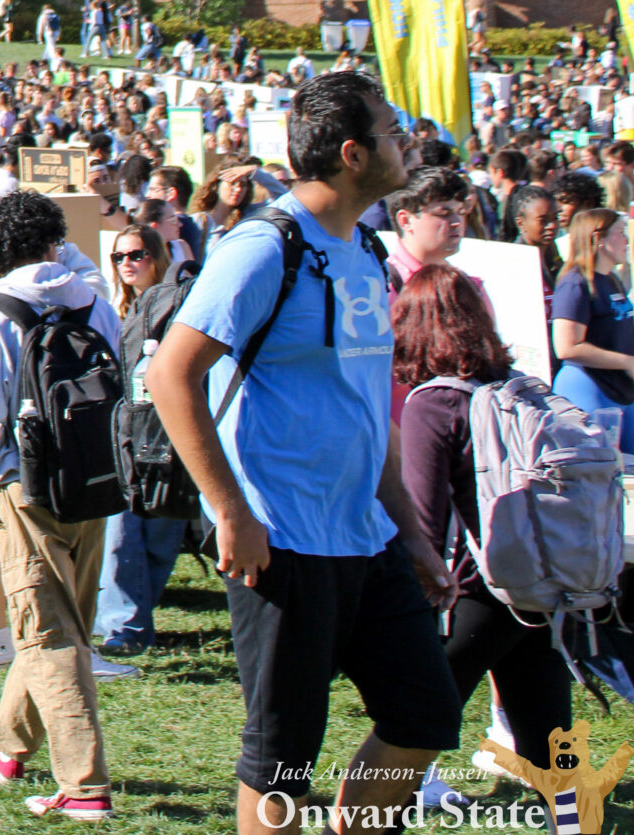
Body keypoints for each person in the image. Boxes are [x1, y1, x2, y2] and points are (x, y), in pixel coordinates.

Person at [151, 70, 460, 835]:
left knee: (425, 712)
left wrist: (412, 531)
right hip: (279, 537)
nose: (405, 143)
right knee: (285, 755)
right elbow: (170, 374)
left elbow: (364, 406)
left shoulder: (366, 250)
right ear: (354, 154)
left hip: (365, 533)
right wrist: (230, 510)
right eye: (391, 132)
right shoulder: (264, 246)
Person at [0, 192, 123, 822]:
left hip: (20, 481)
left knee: (46, 630)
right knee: (66, 614)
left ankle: (82, 783)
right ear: (56, 241)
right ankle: (9, 739)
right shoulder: (94, 302)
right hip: (94, 477)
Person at [394, 262, 576, 792]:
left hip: (474, 585)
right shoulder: (519, 388)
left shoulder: (434, 403)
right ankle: (572, 822)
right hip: (539, 579)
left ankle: (385, 811)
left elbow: (424, 517)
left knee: (412, 717)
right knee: (548, 734)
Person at [93, 223, 189, 655]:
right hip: (125, 433)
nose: (127, 264)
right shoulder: (113, 308)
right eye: (119, 257)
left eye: (136, 255)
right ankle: (124, 626)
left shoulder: (178, 306)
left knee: (163, 532)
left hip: (167, 431)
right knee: (122, 530)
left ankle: (134, 615)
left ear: (156, 257)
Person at [548, 207, 634, 452]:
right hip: (589, 387)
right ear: (598, 239)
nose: (627, 240)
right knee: (598, 471)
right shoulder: (575, 283)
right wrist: (626, 362)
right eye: (620, 232)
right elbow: (566, 346)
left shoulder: (611, 280)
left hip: (621, 389)